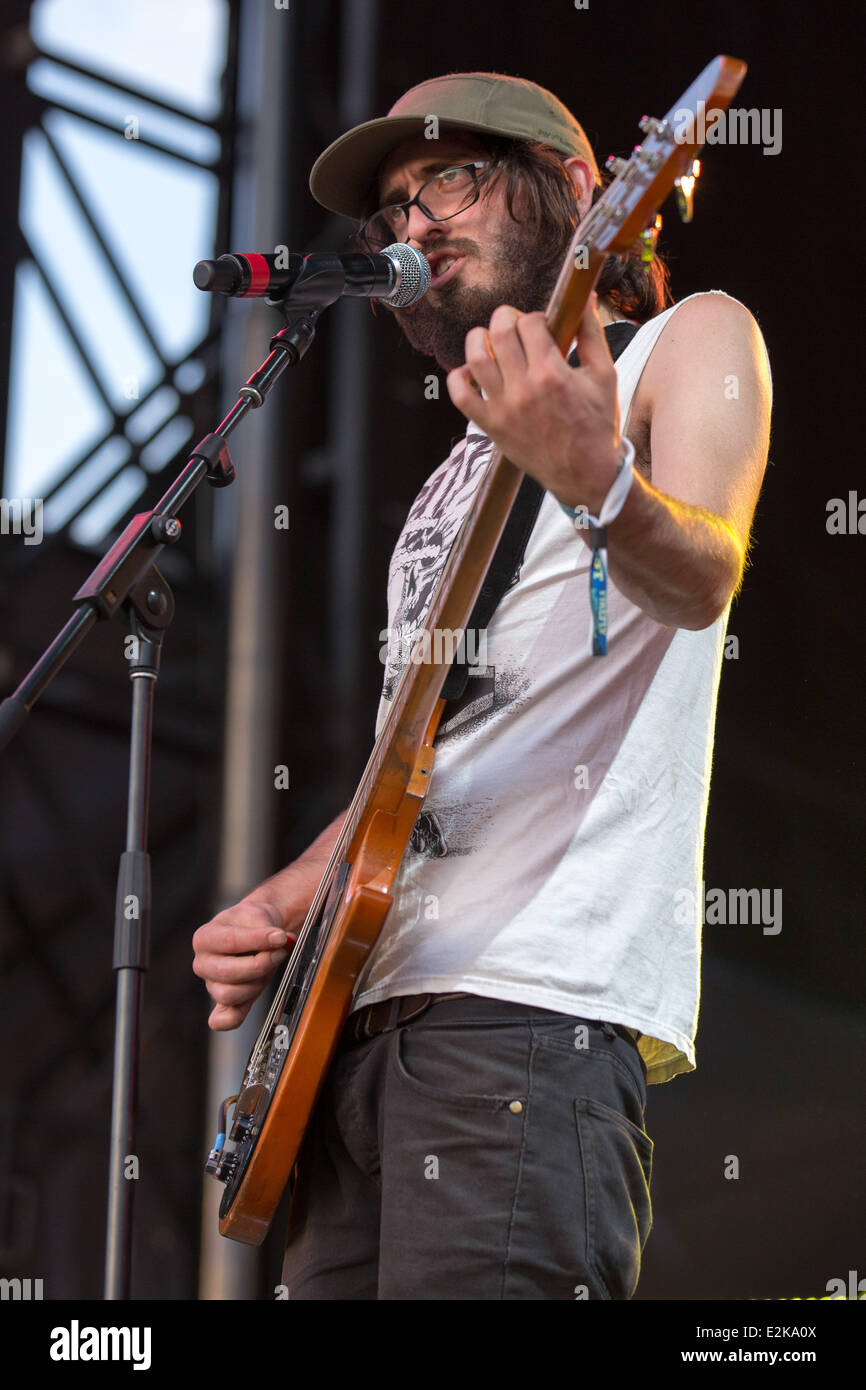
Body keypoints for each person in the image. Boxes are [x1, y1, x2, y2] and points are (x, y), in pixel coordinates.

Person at [192, 72, 772, 1300]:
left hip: (525, 1017)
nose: (414, 224)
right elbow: (429, 759)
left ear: (576, 189)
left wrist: (598, 481)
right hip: (355, 1046)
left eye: (449, 177)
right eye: (394, 208)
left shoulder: (692, 340)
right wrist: (287, 903)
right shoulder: (455, 475)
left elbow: (703, 574)